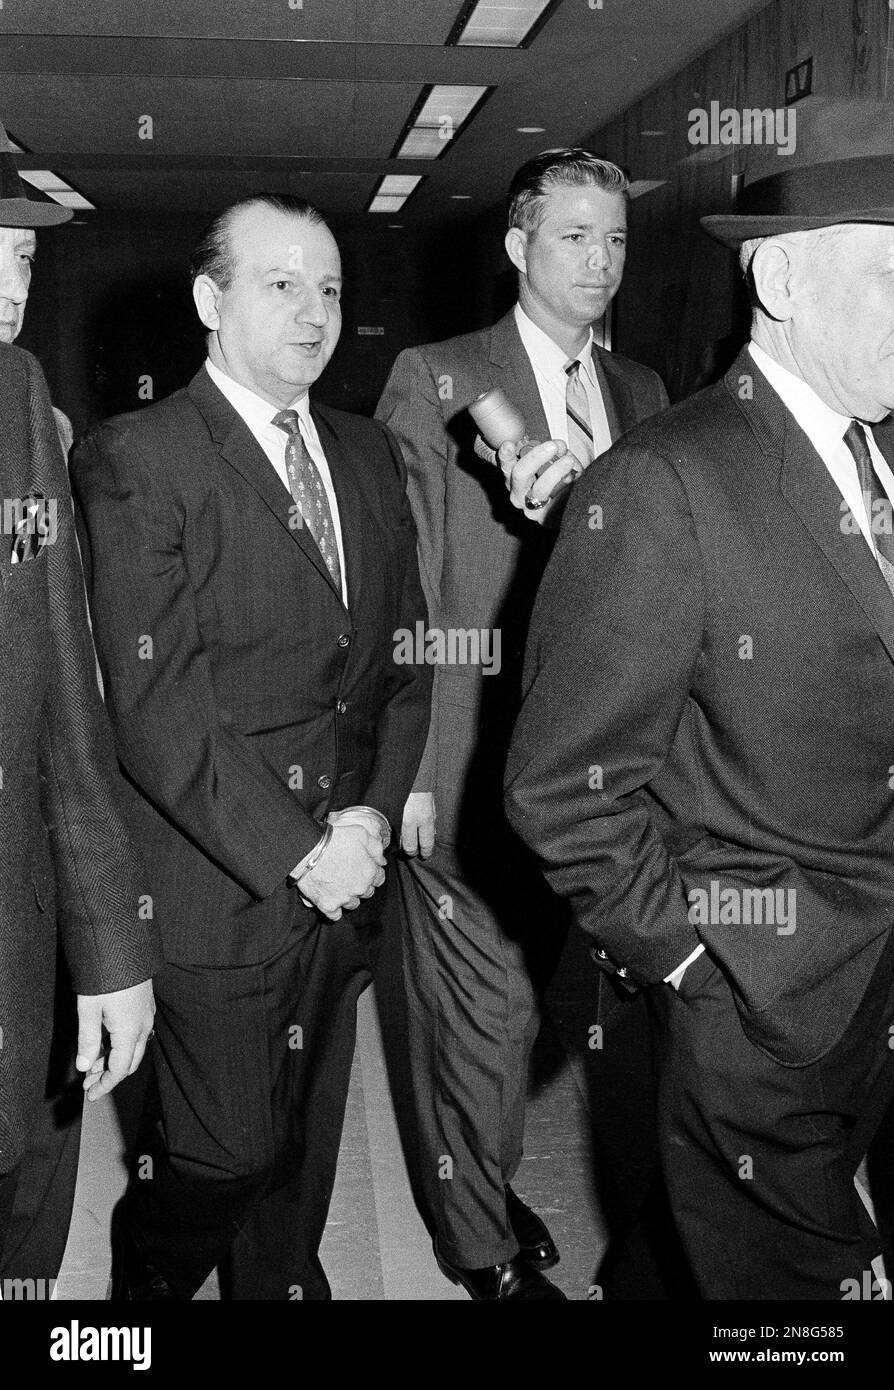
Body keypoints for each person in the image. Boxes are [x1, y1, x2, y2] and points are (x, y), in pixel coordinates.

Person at [505, 113, 894, 1298]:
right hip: (751, 996)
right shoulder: (665, 480)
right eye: (890, 275)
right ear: (780, 276)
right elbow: (560, 788)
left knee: (689, 1264)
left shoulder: (877, 458)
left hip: (868, 989)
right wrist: (693, 966)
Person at [71, 193, 431, 1301]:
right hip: (218, 889)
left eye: (328, 287)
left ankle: (278, 1282)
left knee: (303, 1140)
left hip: (347, 879)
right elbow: (158, 709)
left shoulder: (369, 455)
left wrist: (369, 815)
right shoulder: (139, 456)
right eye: (281, 284)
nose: (313, 310)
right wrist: (301, 849)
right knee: (223, 1152)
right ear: (208, 300)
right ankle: (143, 1295)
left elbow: (404, 658)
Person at [376, 149, 667, 1299]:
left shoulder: (641, 391)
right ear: (517, 247)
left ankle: (489, 1193)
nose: (599, 263)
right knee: (478, 1017)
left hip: (598, 768)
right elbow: (402, 587)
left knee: (549, 999)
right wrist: (404, 773)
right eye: (573, 238)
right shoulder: (438, 376)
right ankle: (478, 1243)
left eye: (616, 240)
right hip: (466, 749)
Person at [0, 124, 158, 1297]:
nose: (14, 287)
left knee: (28, 1221)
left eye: (23, 258)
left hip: (16, 937)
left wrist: (107, 945)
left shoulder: (18, 397)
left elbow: (63, 689)